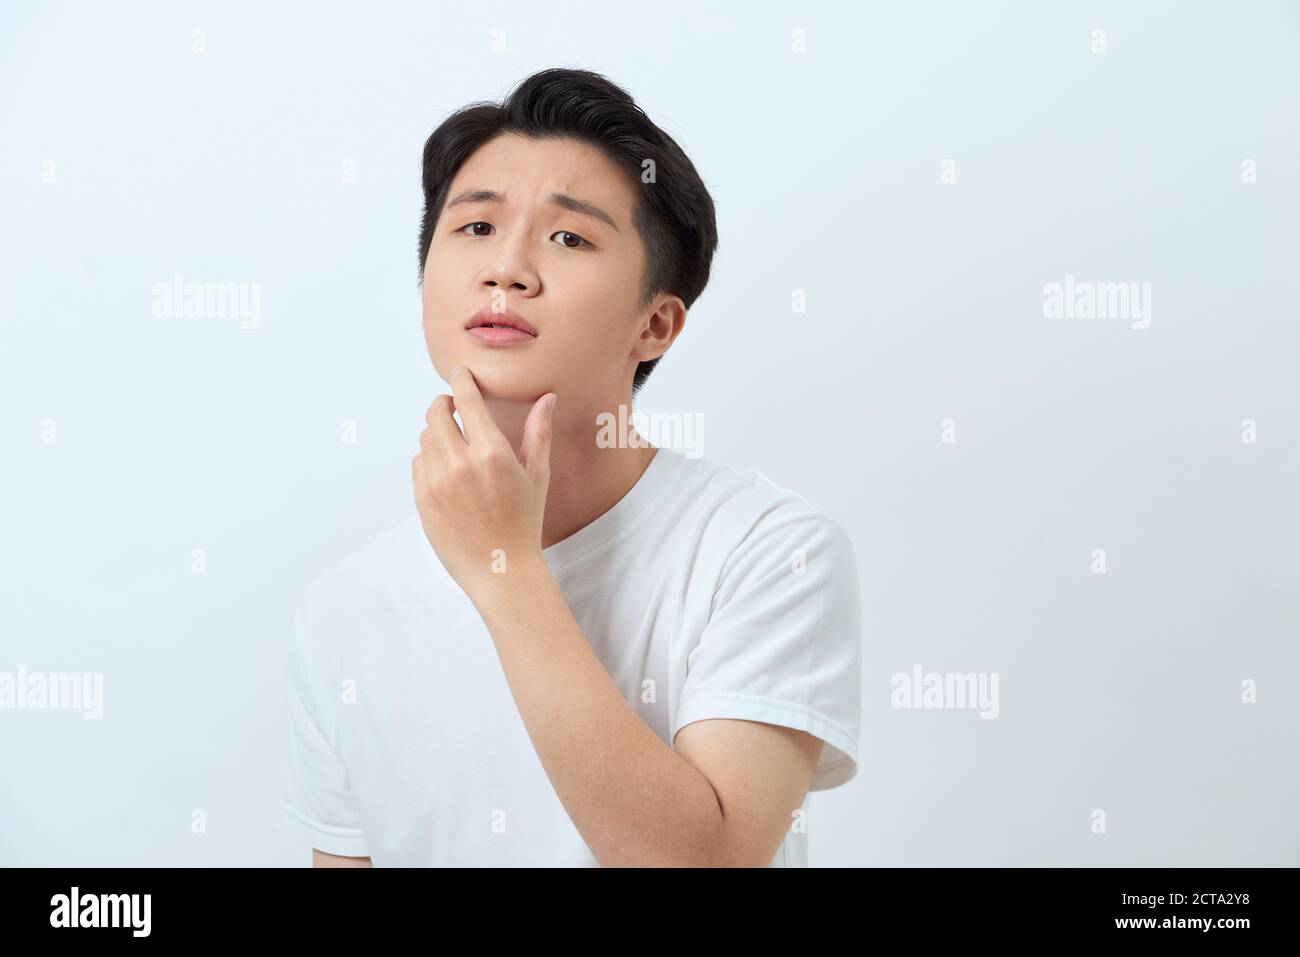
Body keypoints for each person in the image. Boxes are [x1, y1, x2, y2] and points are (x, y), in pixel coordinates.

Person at [280, 67, 862, 867]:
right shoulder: (340, 613)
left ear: (656, 324)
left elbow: (714, 860)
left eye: (569, 237)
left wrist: (505, 569)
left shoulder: (763, 552)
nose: (507, 270)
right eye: (476, 228)